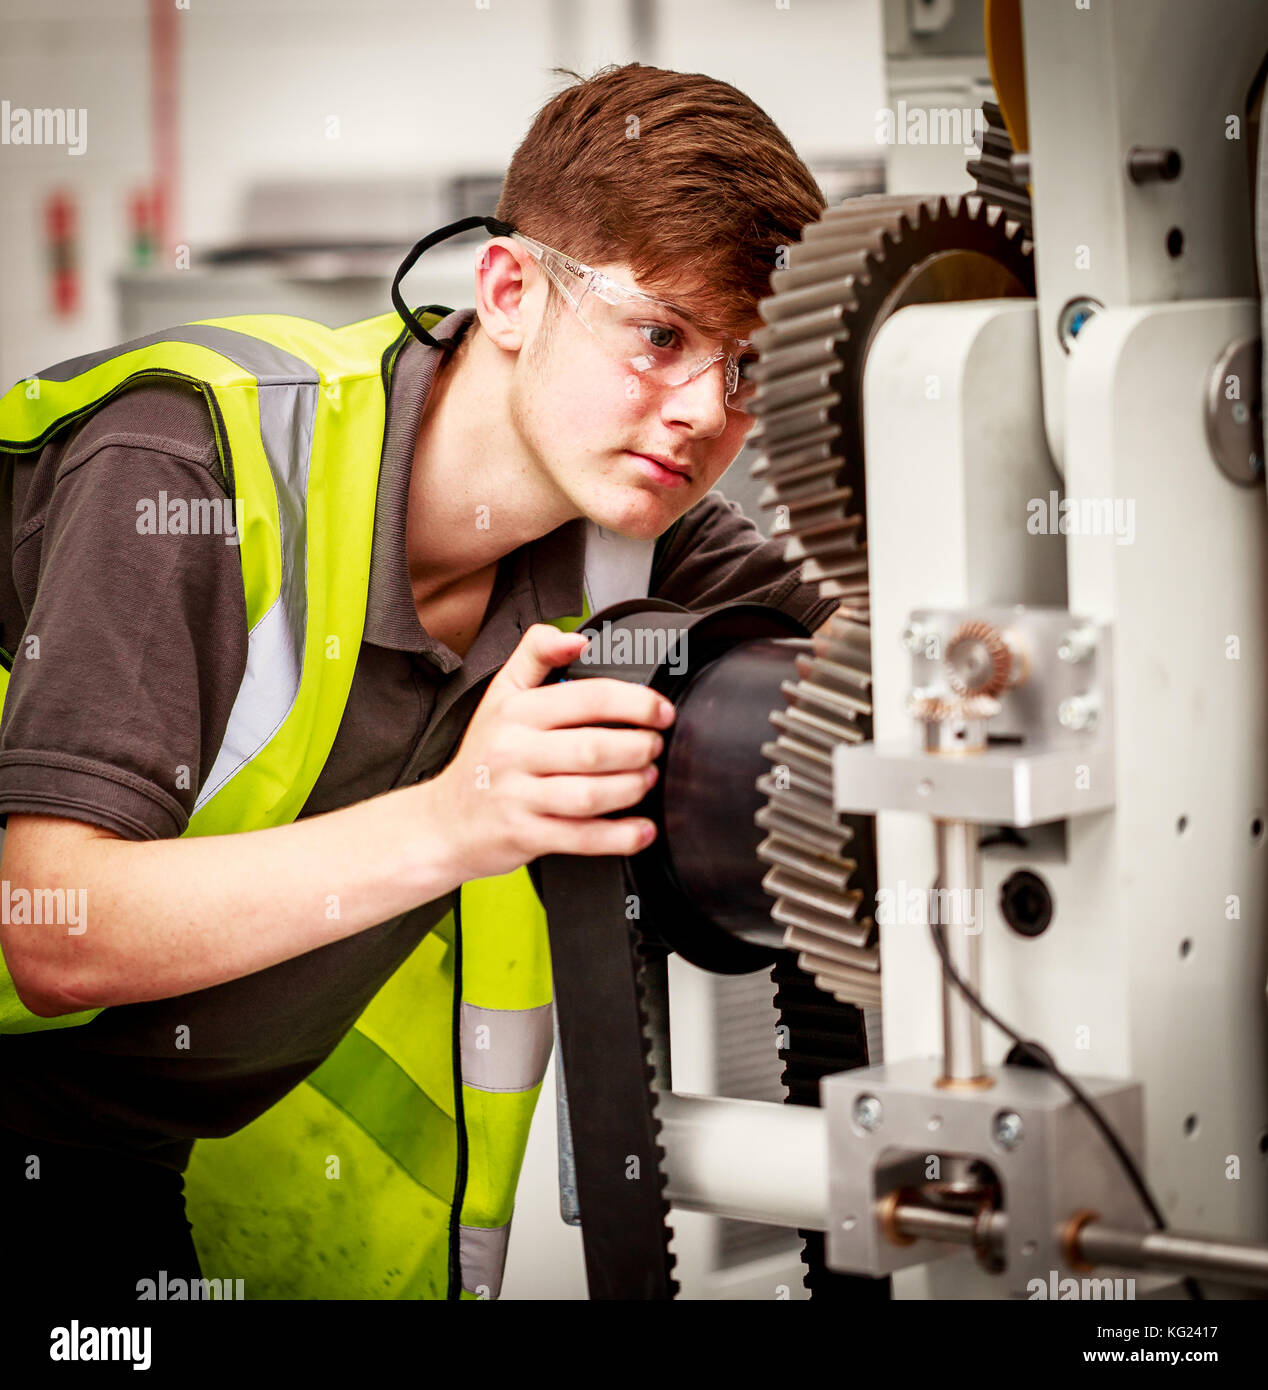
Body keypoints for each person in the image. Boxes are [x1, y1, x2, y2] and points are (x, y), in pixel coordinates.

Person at [0, 61, 837, 1301]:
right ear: (508, 290)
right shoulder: (187, 465)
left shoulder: (633, 530)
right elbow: (47, 929)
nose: (702, 415)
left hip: (134, 1161)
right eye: (659, 336)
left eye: (743, 368)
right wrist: (458, 817)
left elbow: (885, 655)